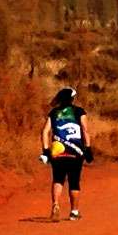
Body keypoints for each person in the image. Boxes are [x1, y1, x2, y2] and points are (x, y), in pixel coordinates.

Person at [40, 87, 93, 221]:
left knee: (58, 179)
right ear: (72, 99)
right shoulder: (78, 111)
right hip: (76, 152)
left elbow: (45, 132)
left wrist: (46, 150)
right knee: (74, 181)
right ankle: (74, 212)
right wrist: (88, 148)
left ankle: (55, 205)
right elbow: (85, 130)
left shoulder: (54, 113)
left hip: (58, 152)